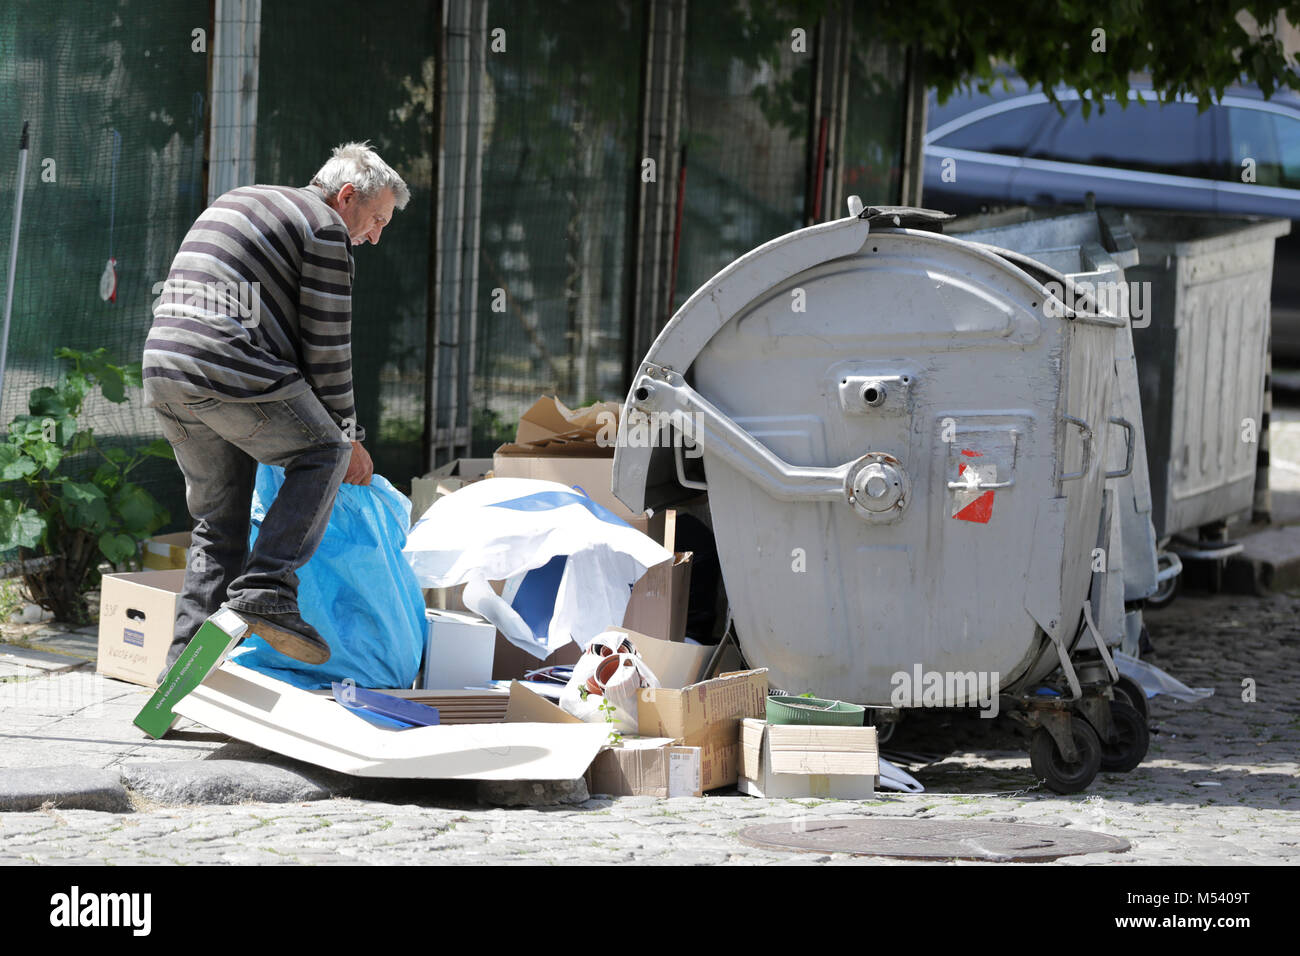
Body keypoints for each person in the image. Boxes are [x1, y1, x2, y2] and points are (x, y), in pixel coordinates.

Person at [142, 141, 409, 679]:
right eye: (377, 219)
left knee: (219, 527)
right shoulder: (324, 227)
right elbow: (328, 349)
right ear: (348, 196)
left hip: (164, 368)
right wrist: (348, 437)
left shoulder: (241, 199)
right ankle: (267, 589)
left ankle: (177, 684)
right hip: (225, 366)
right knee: (324, 451)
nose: (375, 236)